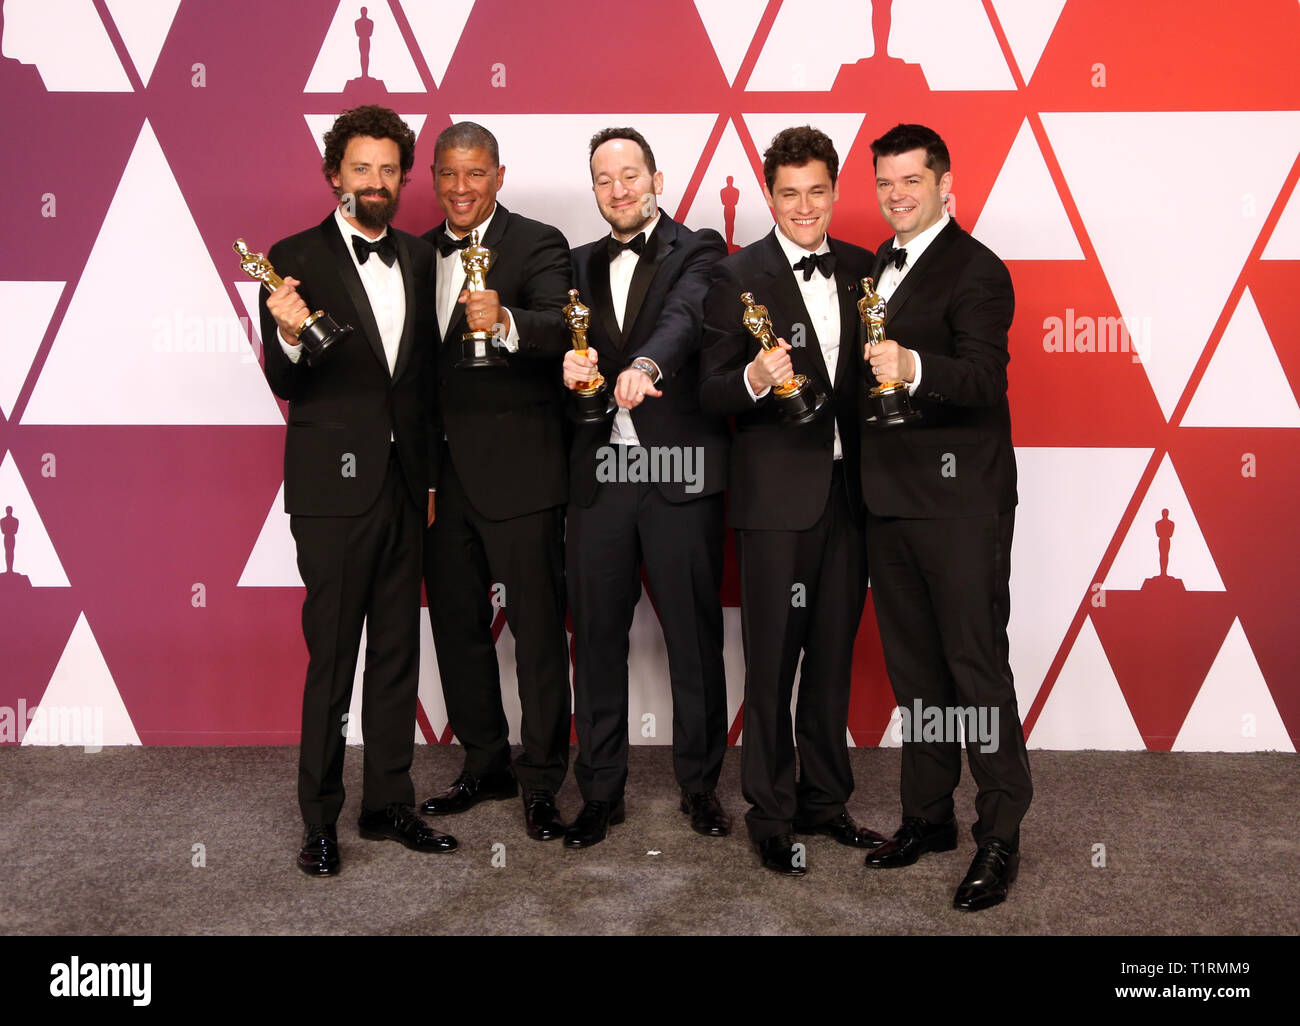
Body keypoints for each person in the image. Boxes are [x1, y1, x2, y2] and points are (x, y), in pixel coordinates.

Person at [260, 104, 454, 877]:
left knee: (398, 654)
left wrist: (432, 478)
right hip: (333, 494)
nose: (375, 182)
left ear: (402, 178)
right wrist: (283, 331)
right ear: (333, 173)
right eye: (360, 168)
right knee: (333, 657)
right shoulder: (291, 257)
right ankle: (319, 820)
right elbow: (284, 379)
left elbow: (426, 385)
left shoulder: (420, 256)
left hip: (408, 487)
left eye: (387, 169)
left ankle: (388, 804)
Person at [700, 125, 884, 875]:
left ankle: (825, 801)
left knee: (833, 656)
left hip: (853, 497)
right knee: (773, 663)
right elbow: (708, 391)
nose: (803, 206)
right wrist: (752, 377)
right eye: (788, 193)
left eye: (816, 191)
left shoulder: (865, 269)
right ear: (769, 194)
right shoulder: (734, 275)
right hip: (776, 500)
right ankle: (770, 814)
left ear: (835, 192)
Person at [859, 123, 1032, 911]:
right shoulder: (873, 271)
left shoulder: (979, 269)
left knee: (975, 670)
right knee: (917, 672)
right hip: (888, 502)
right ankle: (927, 817)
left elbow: (985, 378)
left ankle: (998, 834)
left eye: (911, 181)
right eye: (886, 183)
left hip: (962, 506)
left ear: (945, 182)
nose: (897, 196)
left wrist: (914, 365)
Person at [561, 127, 730, 848]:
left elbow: (684, 317)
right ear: (595, 190)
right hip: (604, 471)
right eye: (605, 178)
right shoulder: (574, 264)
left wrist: (649, 366)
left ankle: (700, 788)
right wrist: (563, 373)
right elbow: (558, 343)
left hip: (676, 470)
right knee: (596, 638)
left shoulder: (701, 248)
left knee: (693, 637)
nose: (619, 188)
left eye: (631, 174)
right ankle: (599, 792)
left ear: (657, 179)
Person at [418, 122, 575, 842]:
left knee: (539, 634)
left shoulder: (538, 242)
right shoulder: (417, 254)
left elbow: (559, 327)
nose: (460, 188)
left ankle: (542, 780)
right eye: (448, 174)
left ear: (499, 176)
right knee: (457, 628)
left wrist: (506, 320)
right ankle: (486, 764)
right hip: (441, 483)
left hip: (523, 475)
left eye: (474, 174)